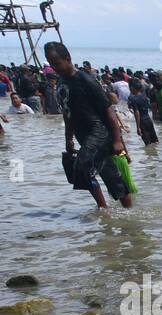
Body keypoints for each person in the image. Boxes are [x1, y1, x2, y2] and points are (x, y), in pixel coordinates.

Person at [45, 42, 132, 209]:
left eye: (57, 63)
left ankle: (102, 208)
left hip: (99, 132)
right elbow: (67, 112)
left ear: (67, 58)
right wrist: (68, 139)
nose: (54, 68)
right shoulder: (62, 83)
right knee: (110, 175)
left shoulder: (86, 80)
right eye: (51, 64)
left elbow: (109, 112)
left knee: (83, 167)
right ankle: (127, 212)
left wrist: (117, 141)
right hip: (83, 135)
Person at [126, 78, 158, 145]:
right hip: (149, 119)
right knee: (155, 140)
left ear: (132, 88)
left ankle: (150, 155)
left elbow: (137, 113)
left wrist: (138, 127)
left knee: (148, 143)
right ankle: (156, 154)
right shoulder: (144, 96)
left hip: (142, 122)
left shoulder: (134, 99)